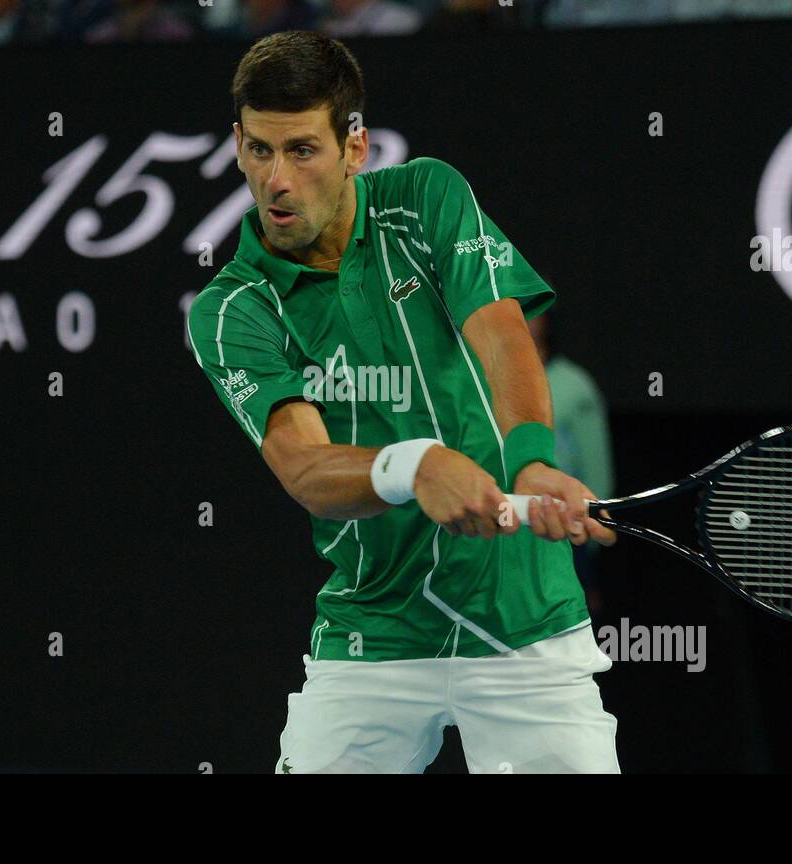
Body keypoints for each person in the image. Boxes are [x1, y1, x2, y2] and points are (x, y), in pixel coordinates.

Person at [188, 31, 619, 774]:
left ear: (354, 147)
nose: (277, 181)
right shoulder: (232, 309)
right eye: (259, 150)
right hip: (372, 634)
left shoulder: (426, 199)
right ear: (236, 144)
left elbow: (503, 333)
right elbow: (305, 469)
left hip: (522, 623)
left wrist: (535, 461)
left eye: (302, 151)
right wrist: (414, 465)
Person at [527, 310, 614, 611]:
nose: (522, 317)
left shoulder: (574, 385)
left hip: (564, 537)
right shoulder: (477, 384)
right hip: (498, 541)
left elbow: (596, 469)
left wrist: (586, 543)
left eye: (531, 309)